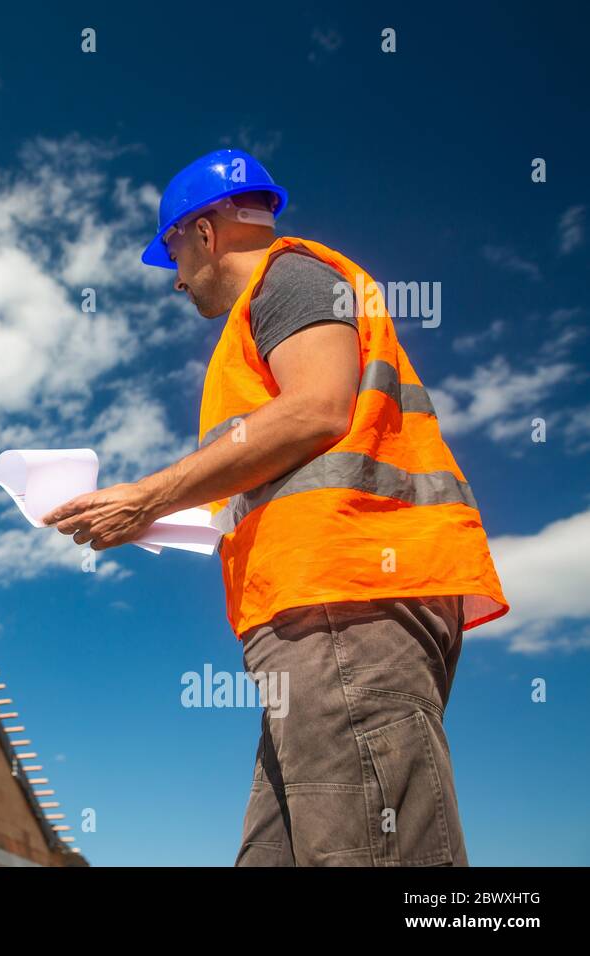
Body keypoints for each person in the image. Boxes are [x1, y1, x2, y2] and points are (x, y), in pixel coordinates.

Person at [41, 148, 508, 866]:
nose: (175, 281)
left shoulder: (288, 278)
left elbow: (316, 409)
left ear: (203, 231)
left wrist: (148, 495)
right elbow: (292, 458)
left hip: (345, 592)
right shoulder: (280, 297)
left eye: (171, 253)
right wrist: (163, 515)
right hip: (320, 612)